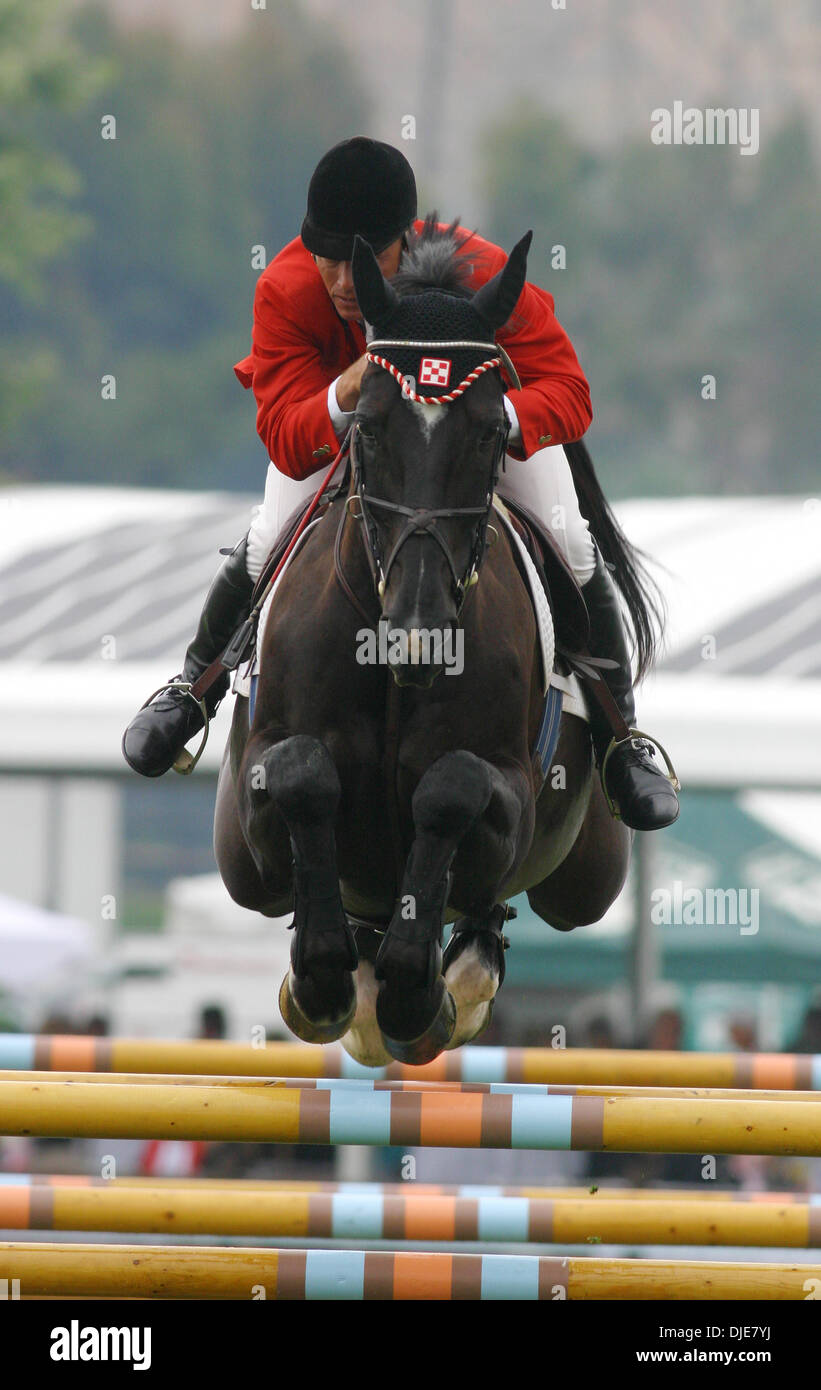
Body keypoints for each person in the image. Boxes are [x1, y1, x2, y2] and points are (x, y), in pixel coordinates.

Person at [122, 136, 679, 832]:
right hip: (360, 433)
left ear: (404, 242)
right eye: (329, 263)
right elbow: (287, 441)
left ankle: (621, 740)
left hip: (476, 433)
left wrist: (486, 416)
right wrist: (342, 393)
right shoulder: (286, 290)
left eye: (362, 265)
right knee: (267, 540)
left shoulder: (480, 273)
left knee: (570, 542)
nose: (343, 285)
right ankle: (194, 690)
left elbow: (569, 391)